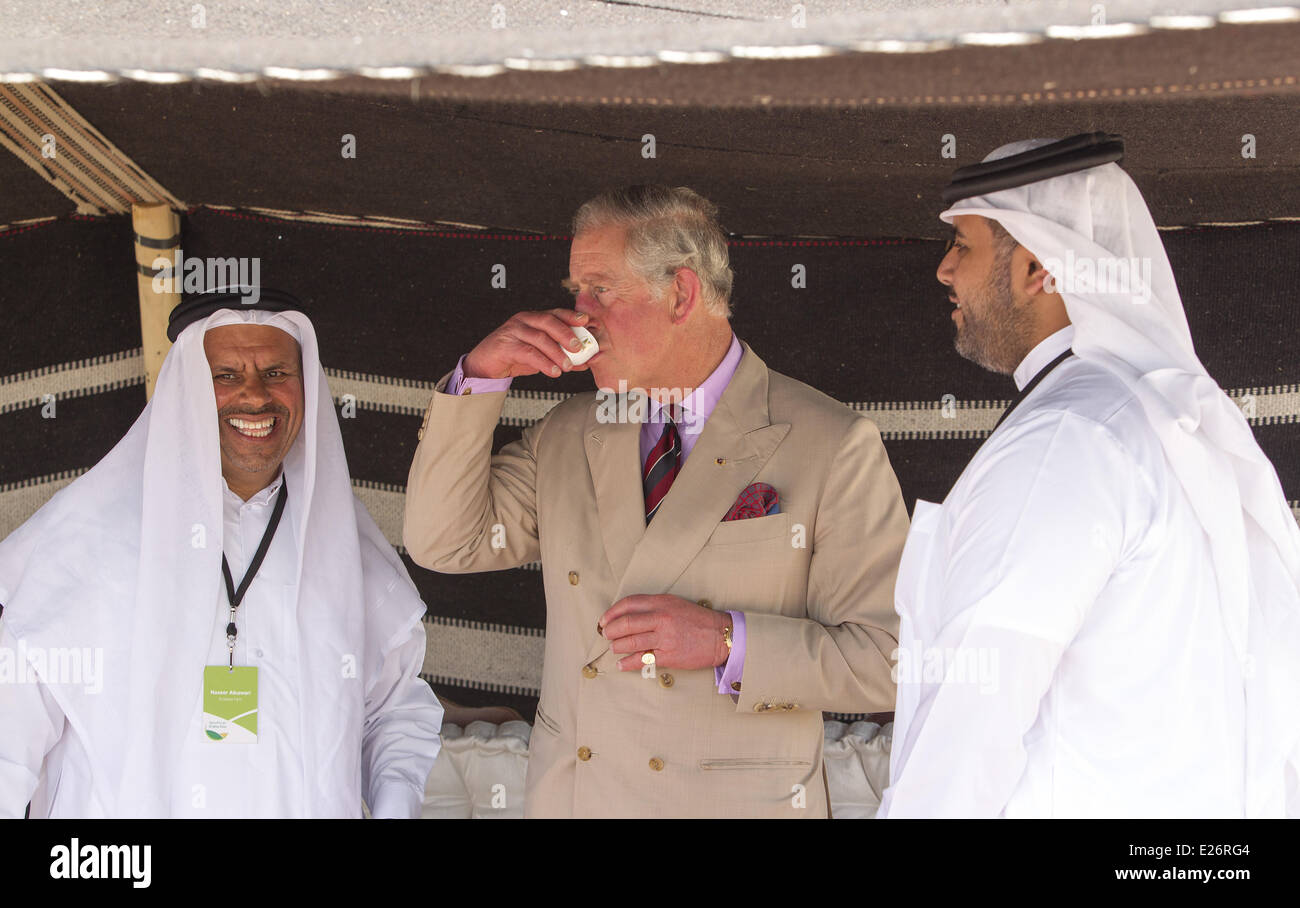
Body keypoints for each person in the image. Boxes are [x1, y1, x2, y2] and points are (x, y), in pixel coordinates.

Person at [404, 185, 909, 818]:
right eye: (575, 293)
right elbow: (443, 542)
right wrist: (480, 377)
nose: (579, 317)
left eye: (600, 290)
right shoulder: (569, 432)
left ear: (682, 294)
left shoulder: (832, 443)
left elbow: (890, 658)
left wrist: (729, 641)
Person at [878, 134, 1300, 818]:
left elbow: (972, 721)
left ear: (1039, 267)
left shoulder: (1068, 441)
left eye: (964, 245)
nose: (944, 271)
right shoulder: (1150, 418)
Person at [0, 289, 444, 818]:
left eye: (277, 372)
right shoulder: (90, 536)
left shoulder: (342, 541)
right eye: (226, 375)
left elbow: (392, 711)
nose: (255, 396)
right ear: (187, 388)